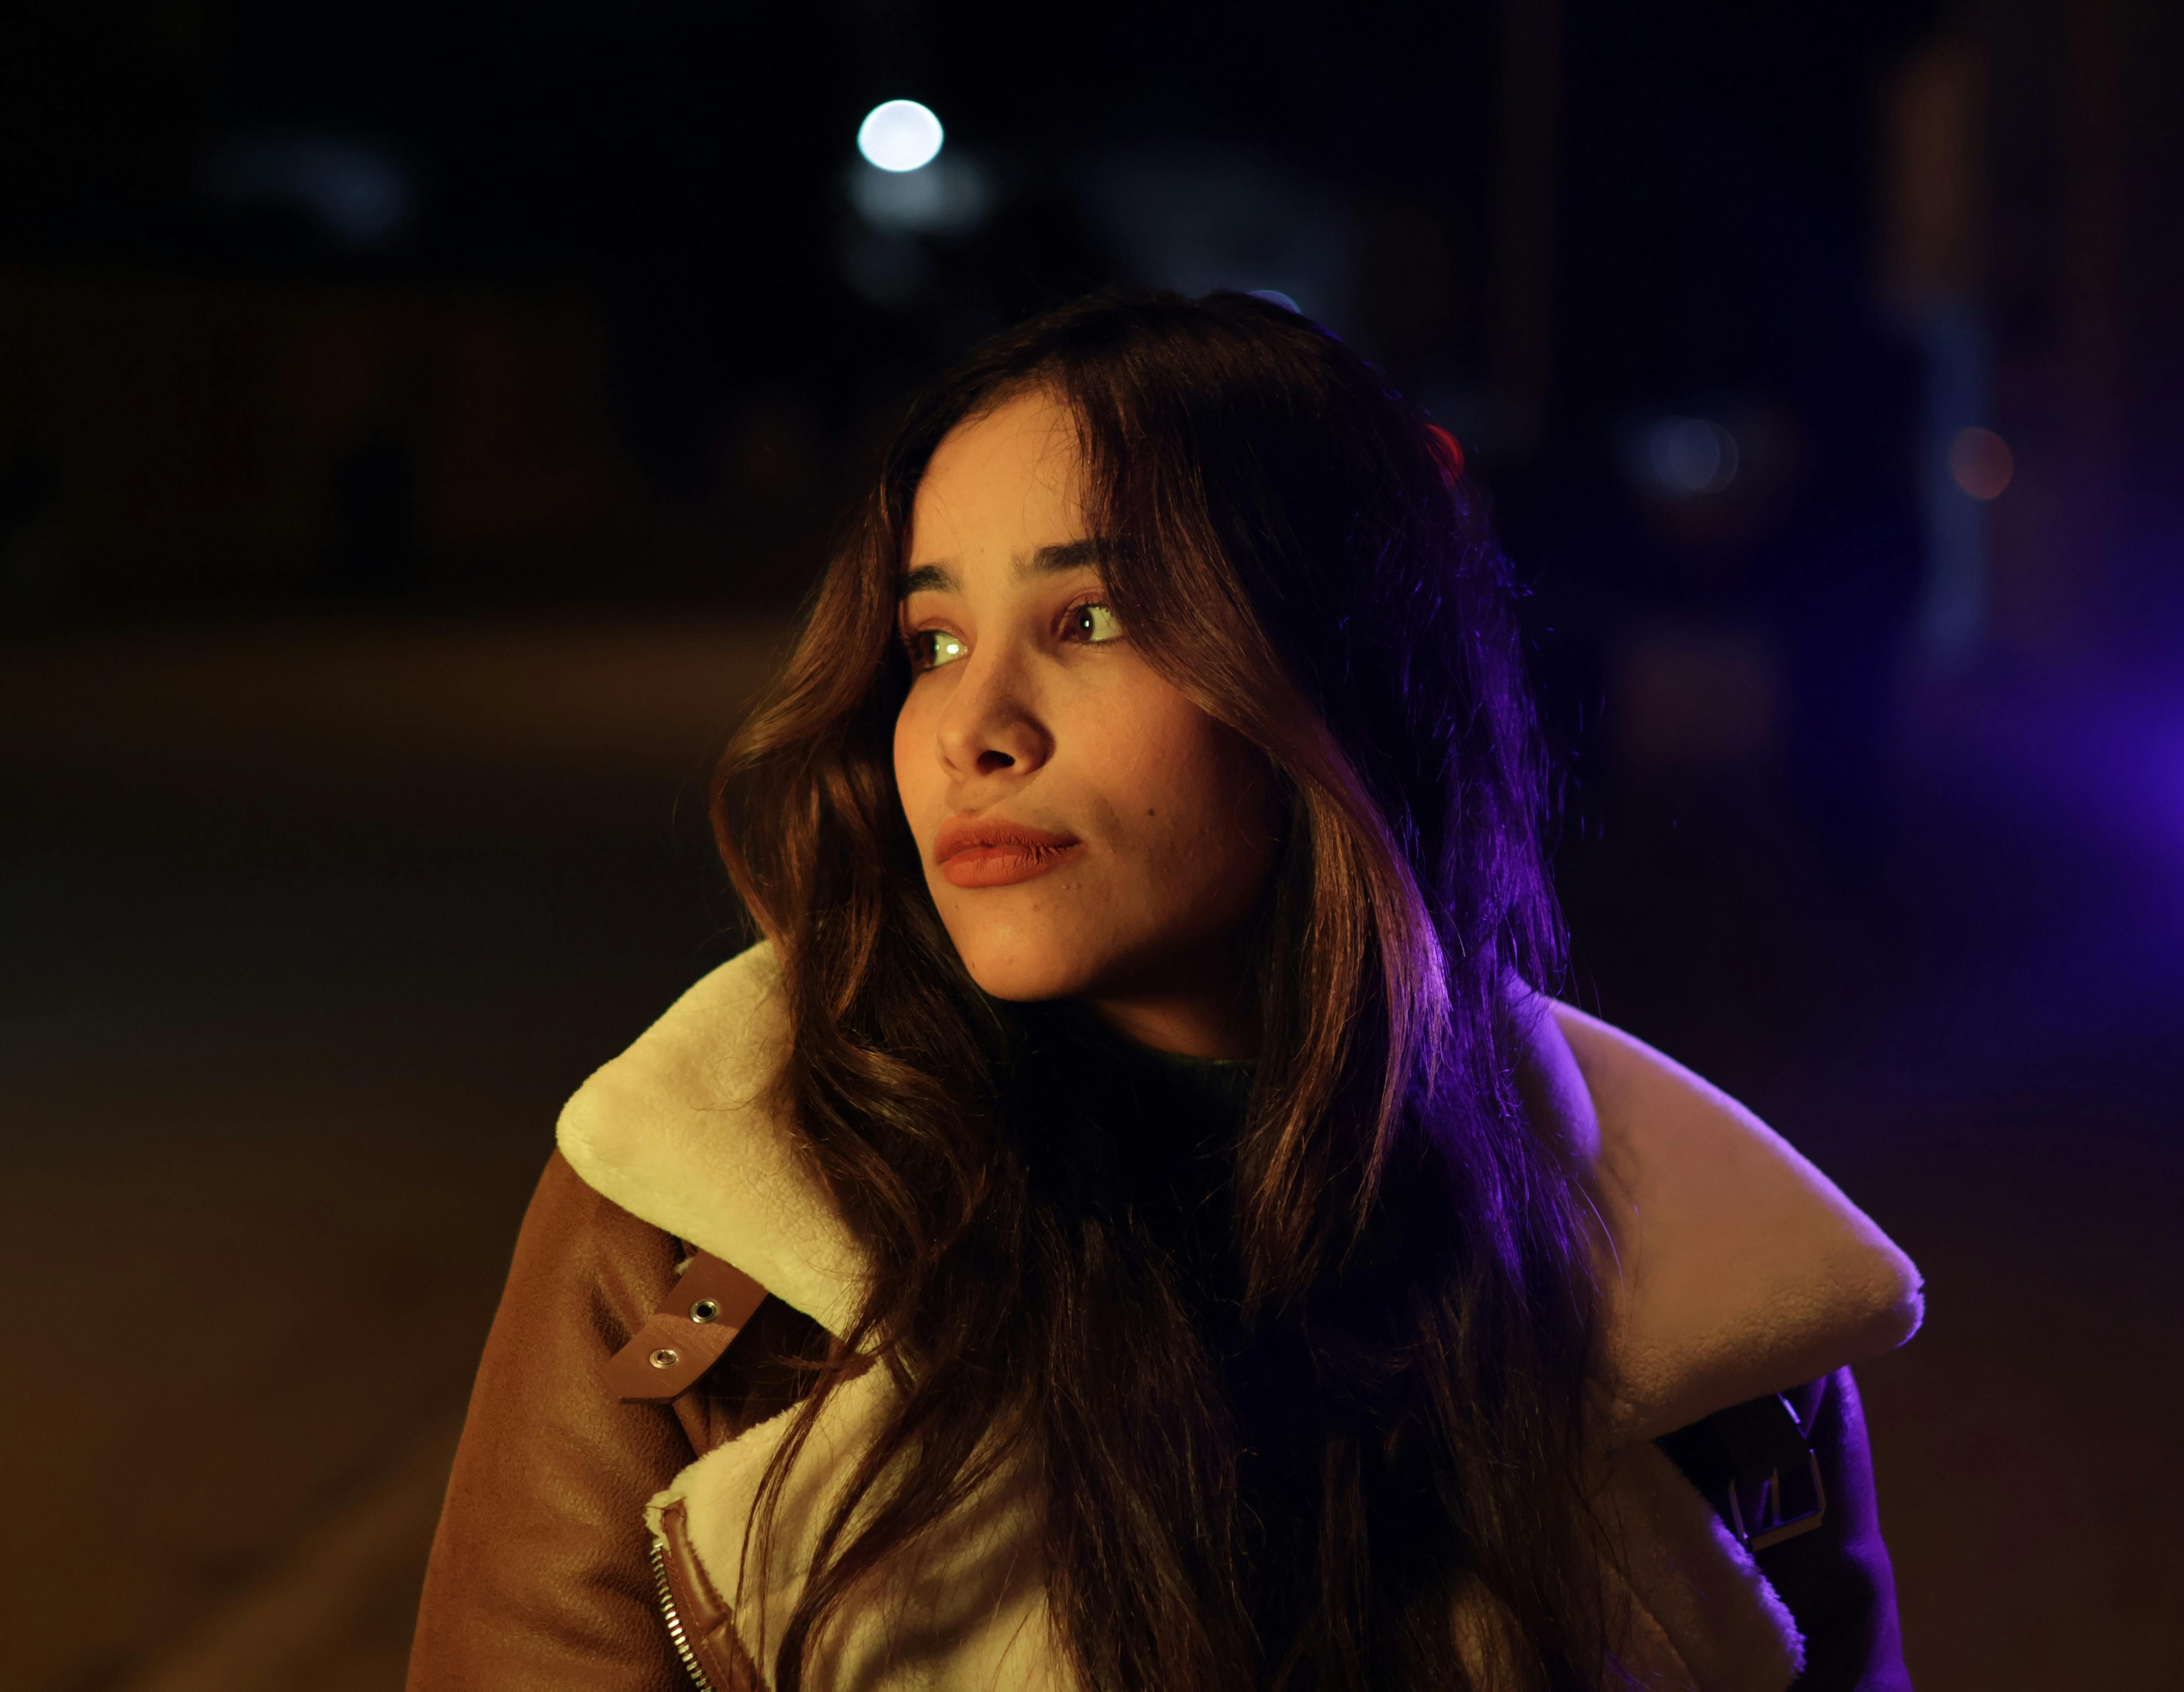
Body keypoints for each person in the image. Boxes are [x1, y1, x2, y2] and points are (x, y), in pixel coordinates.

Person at [407, 290, 1920, 1692]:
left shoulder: (1703, 1318)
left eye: (1091, 621)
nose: (969, 730)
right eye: (931, 642)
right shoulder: (698, 1230)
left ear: (1337, 680)